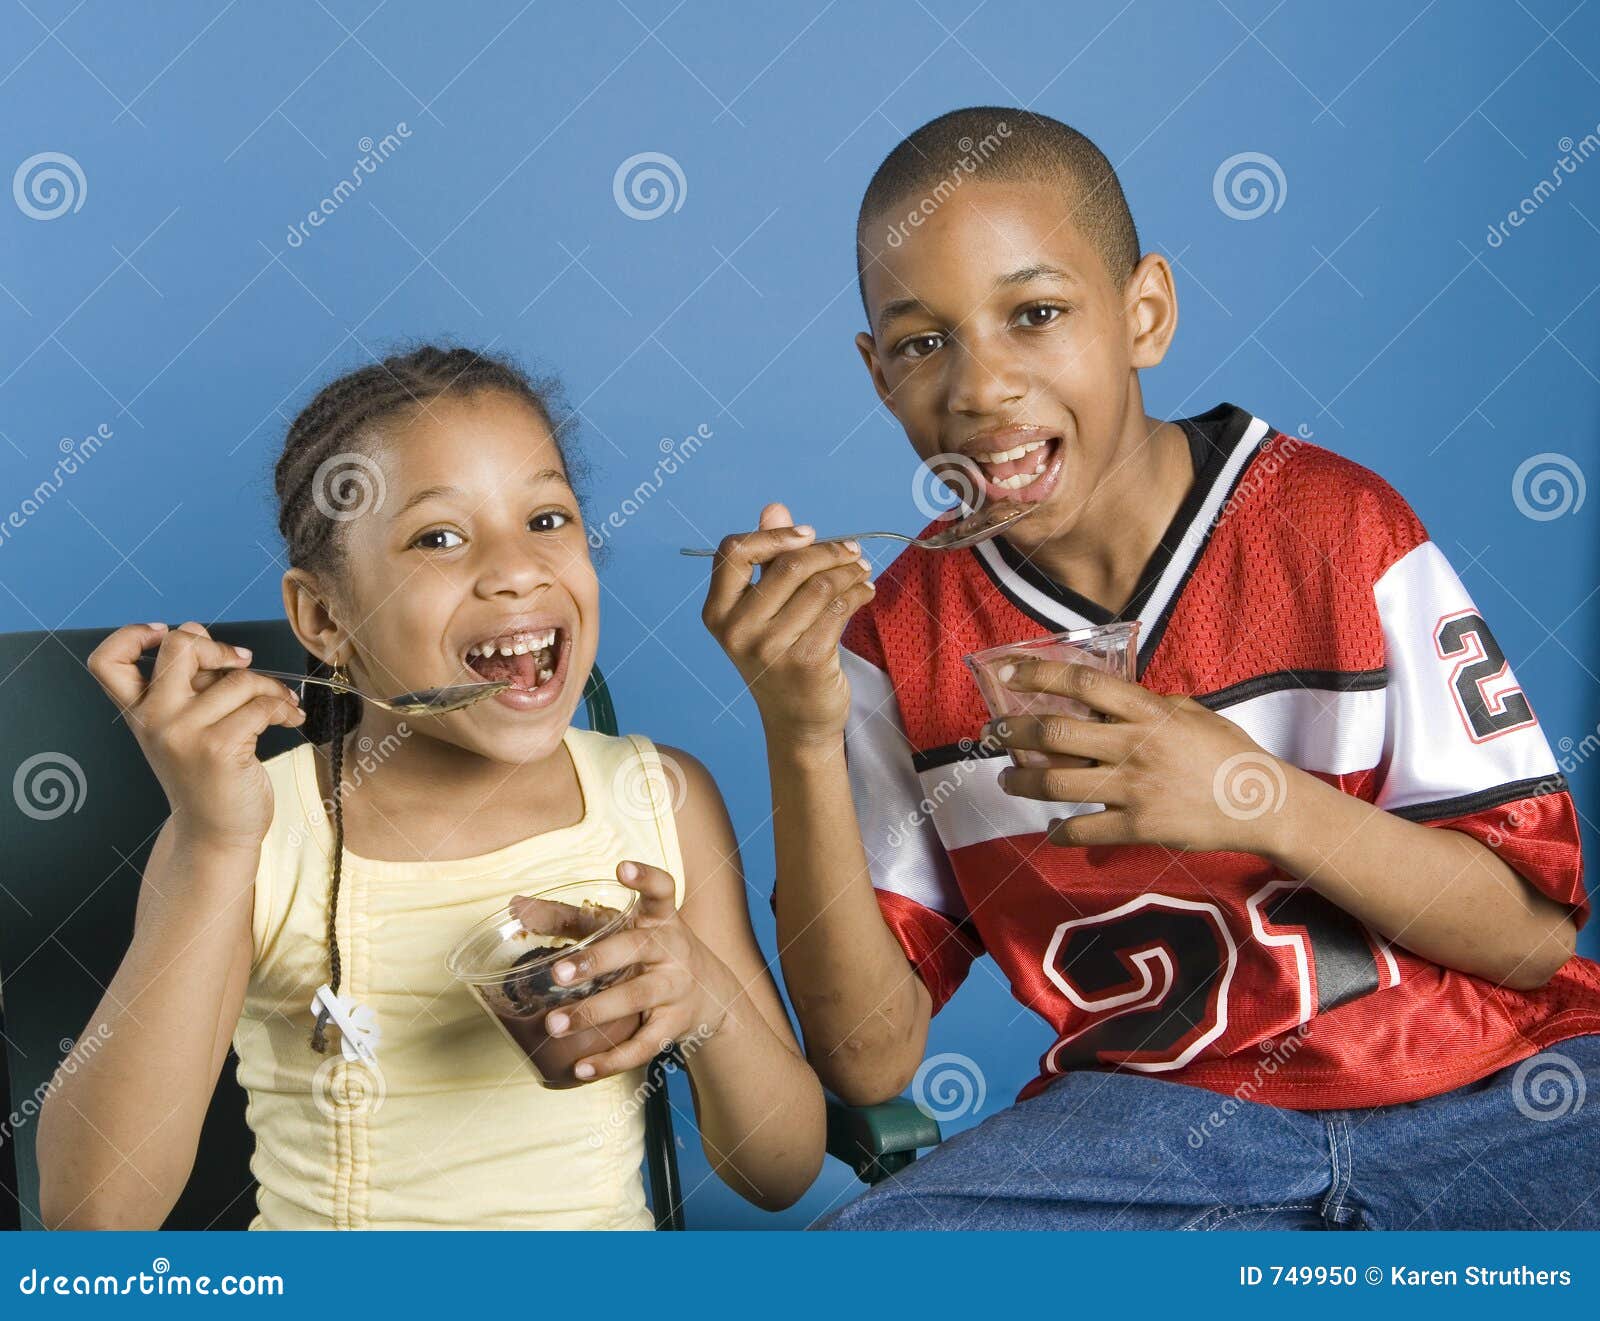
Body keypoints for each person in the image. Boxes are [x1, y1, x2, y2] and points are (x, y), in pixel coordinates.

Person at [701, 108, 1600, 1230]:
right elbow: (869, 1061)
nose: (978, 389)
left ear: (1144, 314)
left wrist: (1251, 792)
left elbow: (1530, 935)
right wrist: (798, 729)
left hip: (1482, 1087)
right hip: (1153, 1136)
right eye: (924, 341)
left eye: (1034, 314)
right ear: (878, 373)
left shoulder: (1335, 529)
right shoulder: (897, 640)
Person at [40, 344, 822, 1229]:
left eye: (548, 518)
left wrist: (703, 992)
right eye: (439, 537)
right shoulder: (251, 828)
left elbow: (781, 1170)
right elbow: (90, 1218)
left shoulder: (659, 800)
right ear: (325, 619)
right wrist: (215, 842)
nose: (517, 568)